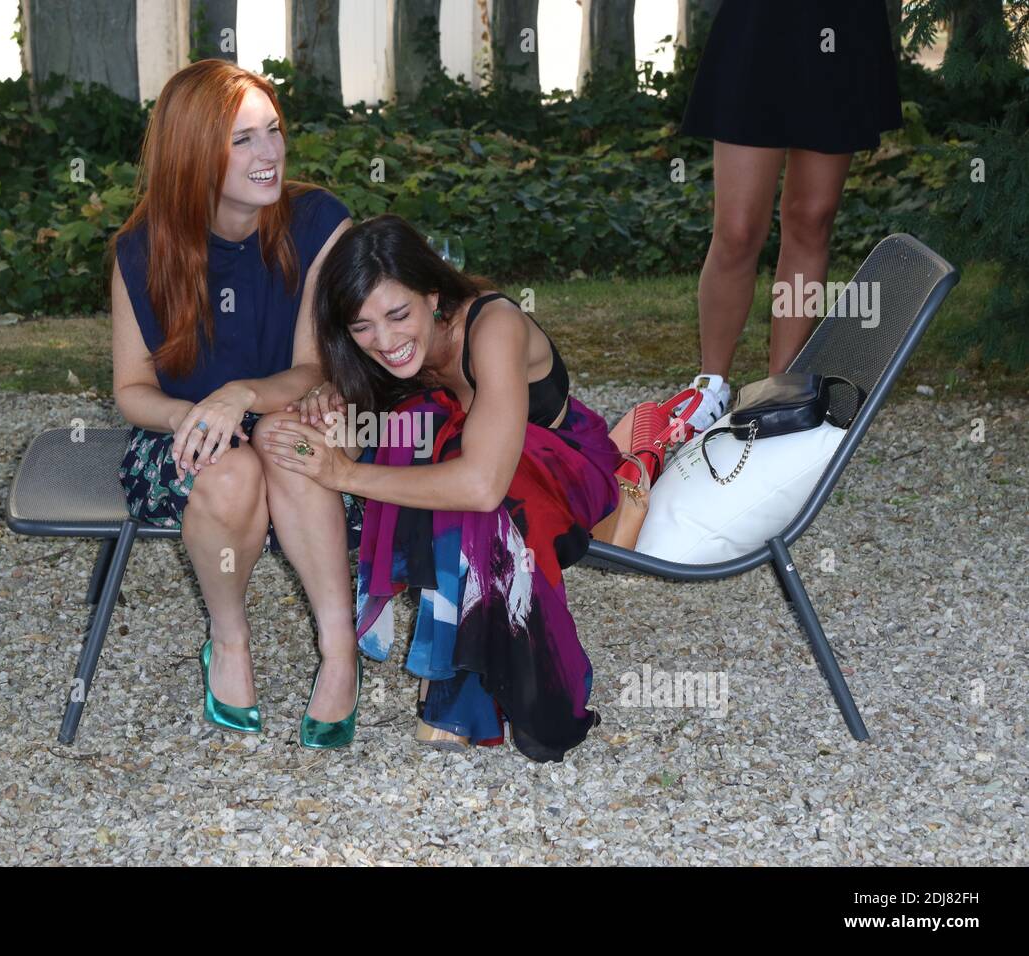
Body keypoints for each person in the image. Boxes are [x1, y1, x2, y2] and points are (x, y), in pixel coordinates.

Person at [262, 215, 623, 763]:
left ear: (433, 295)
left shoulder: (493, 324)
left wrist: (343, 475)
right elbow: (376, 437)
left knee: (456, 460)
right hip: (490, 482)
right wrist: (329, 399)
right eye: (361, 327)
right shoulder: (383, 353)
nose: (384, 340)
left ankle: (472, 685)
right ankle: (449, 666)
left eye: (398, 314)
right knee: (424, 427)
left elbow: (480, 484)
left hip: (565, 473)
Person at [112, 59, 362, 749]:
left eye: (274, 131)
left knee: (285, 441)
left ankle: (339, 651)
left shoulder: (317, 222)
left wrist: (242, 396)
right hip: (183, 436)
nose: (270, 153)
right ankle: (228, 640)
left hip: (297, 411)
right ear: (194, 152)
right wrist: (194, 416)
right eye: (244, 139)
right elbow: (131, 388)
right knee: (229, 470)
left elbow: (314, 365)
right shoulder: (143, 249)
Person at [677, 0, 903, 429]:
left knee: (812, 219)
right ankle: (709, 387)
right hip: (760, 24)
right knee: (738, 228)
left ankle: (781, 392)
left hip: (841, 24)